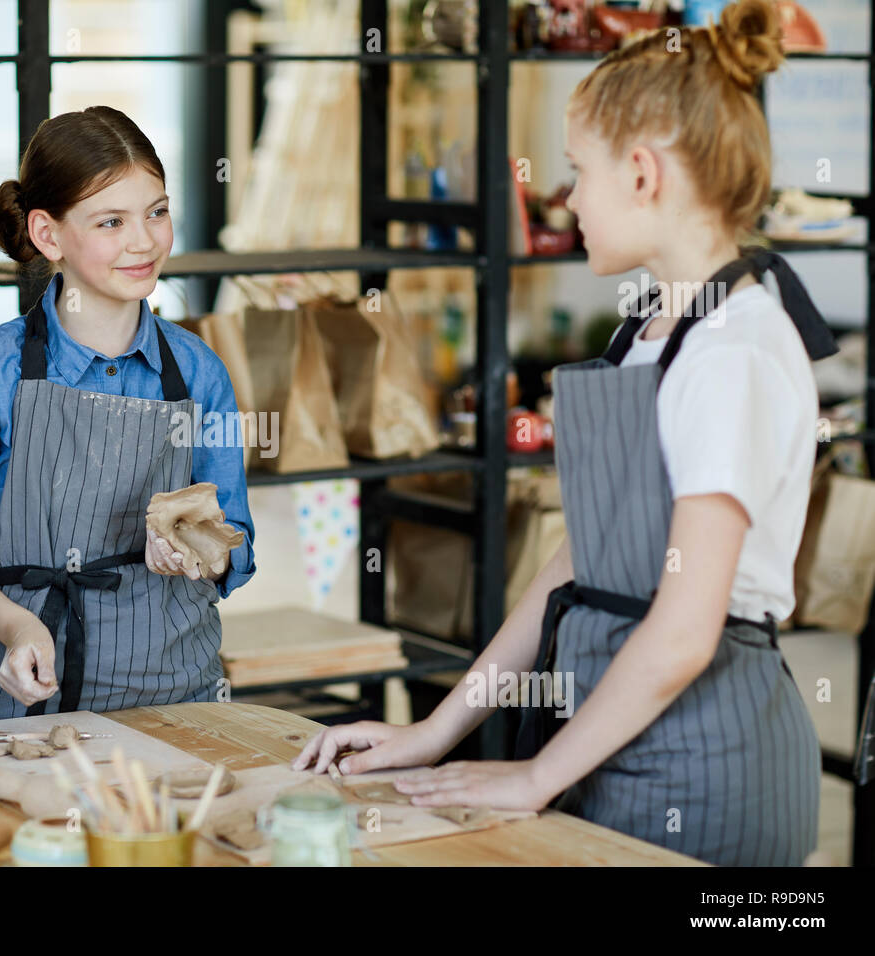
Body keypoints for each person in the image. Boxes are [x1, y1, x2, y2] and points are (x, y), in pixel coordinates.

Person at [295, 0, 830, 866]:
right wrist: (439, 730)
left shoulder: (736, 350)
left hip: (704, 762)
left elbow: (688, 628)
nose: (569, 197)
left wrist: (535, 775)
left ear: (645, 173)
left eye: (580, 171)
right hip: (608, 742)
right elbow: (575, 566)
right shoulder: (651, 329)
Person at [0, 106, 256, 719]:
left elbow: (236, 539)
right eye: (111, 221)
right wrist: (15, 628)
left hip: (184, 689)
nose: (144, 240)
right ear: (48, 235)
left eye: (157, 212)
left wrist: (198, 547)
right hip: (38, 688)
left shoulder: (200, 372)